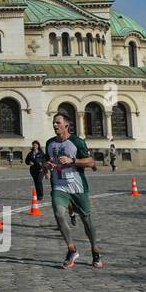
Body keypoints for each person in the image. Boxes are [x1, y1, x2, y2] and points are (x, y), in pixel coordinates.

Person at [46, 113, 102, 268]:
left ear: (67, 125)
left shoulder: (77, 141)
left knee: (86, 220)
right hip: (59, 186)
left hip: (77, 187)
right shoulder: (50, 143)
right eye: (54, 123)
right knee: (58, 214)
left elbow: (91, 162)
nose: (55, 125)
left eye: (58, 122)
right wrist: (47, 167)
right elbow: (48, 160)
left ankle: (95, 249)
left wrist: (73, 161)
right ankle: (71, 249)